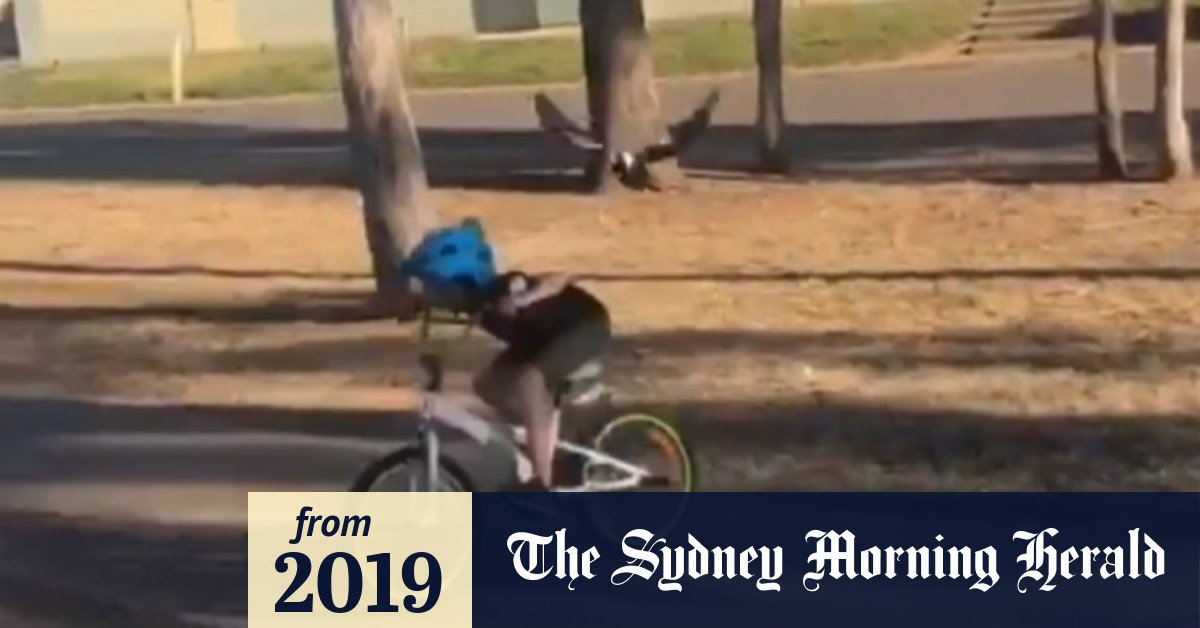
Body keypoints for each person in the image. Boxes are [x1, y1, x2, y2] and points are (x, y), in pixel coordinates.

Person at [399, 219, 612, 491]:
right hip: (541, 340)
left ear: (457, 280)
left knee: (529, 381)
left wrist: (523, 299)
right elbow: (447, 344)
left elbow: (559, 279)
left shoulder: (505, 288)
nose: (427, 292)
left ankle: (541, 485)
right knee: (486, 384)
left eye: (432, 285)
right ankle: (539, 439)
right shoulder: (471, 304)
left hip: (584, 327)